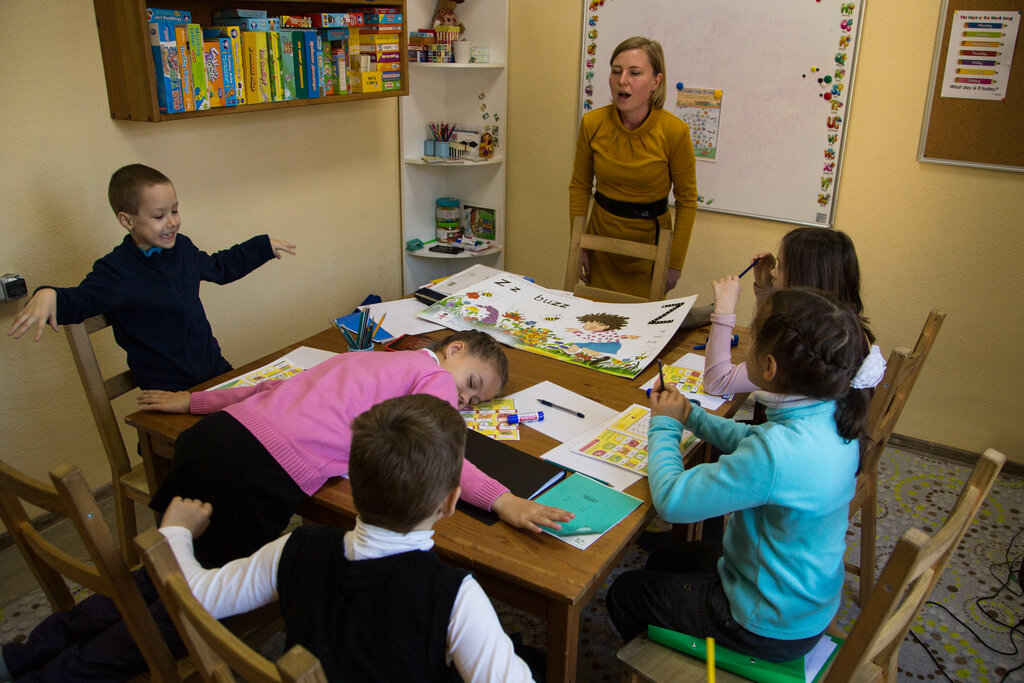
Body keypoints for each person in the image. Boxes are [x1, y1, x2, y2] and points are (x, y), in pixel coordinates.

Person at [157, 394, 538, 682]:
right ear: (451, 502)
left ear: (352, 485)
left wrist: (175, 531)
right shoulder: (456, 595)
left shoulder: (294, 547)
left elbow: (198, 595)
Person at [607, 288, 884, 662]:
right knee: (665, 561)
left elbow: (673, 501)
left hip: (765, 624)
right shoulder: (833, 412)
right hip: (802, 599)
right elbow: (752, 438)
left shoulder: (777, 455)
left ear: (768, 368)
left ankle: (676, 665)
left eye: (750, 338)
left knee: (624, 592)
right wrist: (692, 417)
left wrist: (664, 428)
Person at [141, 330, 573, 567]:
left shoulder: (366, 357)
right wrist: (503, 499)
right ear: (453, 349)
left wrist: (193, 401)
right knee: (186, 598)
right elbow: (439, 449)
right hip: (259, 470)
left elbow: (275, 387)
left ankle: (104, 613)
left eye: (473, 402)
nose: (462, 400)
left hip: (215, 435)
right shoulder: (436, 376)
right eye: (471, 385)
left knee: (165, 564)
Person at [6, 164, 297, 391]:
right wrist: (48, 294)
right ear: (127, 220)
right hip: (167, 393)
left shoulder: (181, 248)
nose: (172, 221)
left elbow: (219, 267)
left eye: (175, 210)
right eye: (159, 216)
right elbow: (81, 300)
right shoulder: (117, 271)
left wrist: (262, 246)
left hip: (215, 374)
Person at [569, 36, 698, 299]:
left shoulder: (675, 132)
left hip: (651, 244)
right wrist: (578, 244)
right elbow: (580, 185)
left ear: (655, 82)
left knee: (640, 327)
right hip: (601, 239)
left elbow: (687, 201)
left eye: (634, 73)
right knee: (591, 322)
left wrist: (675, 263)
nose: (622, 80)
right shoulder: (592, 123)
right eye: (616, 71)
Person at [703, 227, 875, 398]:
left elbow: (718, 382)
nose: (772, 271)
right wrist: (765, 289)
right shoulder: (841, 327)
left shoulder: (803, 342)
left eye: (781, 267)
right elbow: (769, 336)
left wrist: (723, 312)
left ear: (804, 280)